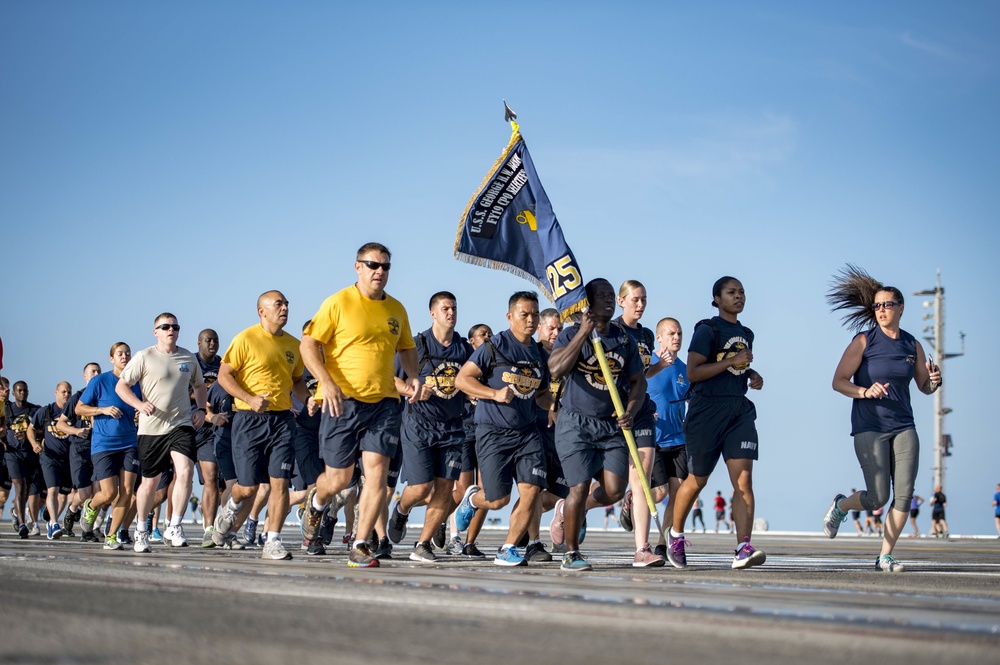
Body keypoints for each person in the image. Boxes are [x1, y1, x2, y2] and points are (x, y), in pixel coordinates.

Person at [299, 242, 421, 568]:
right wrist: (325, 381)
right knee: (339, 479)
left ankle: (361, 543)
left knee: (376, 476)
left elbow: (407, 347)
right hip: (343, 402)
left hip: (384, 403)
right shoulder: (338, 303)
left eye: (385, 267)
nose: (379, 271)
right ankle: (318, 501)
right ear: (358, 267)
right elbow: (309, 344)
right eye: (372, 265)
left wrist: (413, 376)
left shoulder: (396, 309)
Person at [822, 266, 941, 573]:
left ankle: (884, 556)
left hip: (904, 426)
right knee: (878, 496)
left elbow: (924, 387)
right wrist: (864, 391)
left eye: (887, 304)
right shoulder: (864, 341)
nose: (881, 310)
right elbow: (838, 380)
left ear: (901, 308)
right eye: (877, 305)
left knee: (904, 494)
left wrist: (934, 381)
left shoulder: (912, 344)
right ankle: (841, 506)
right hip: (869, 426)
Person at [664, 276, 766, 571]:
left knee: (744, 480)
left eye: (742, 292)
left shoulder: (746, 332)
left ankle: (743, 548)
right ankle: (676, 536)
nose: (739, 296)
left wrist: (750, 374)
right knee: (697, 480)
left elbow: (734, 367)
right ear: (717, 299)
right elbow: (695, 373)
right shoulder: (706, 330)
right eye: (731, 292)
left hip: (738, 411)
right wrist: (732, 360)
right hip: (705, 411)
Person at [547, 278, 645, 572]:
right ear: (587, 302)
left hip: (611, 425)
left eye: (611, 295)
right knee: (579, 486)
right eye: (600, 295)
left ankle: (567, 510)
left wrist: (630, 409)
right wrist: (583, 334)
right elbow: (555, 369)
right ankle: (571, 553)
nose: (608, 300)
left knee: (615, 490)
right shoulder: (569, 335)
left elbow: (638, 382)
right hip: (575, 423)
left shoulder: (624, 339)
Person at [454, 290, 553, 567]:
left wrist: (555, 407)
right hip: (493, 431)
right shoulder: (493, 347)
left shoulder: (538, 352)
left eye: (535, 314)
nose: (531, 320)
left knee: (532, 490)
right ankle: (474, 500)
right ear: (510, 317)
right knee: (497, 500)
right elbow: (462, 380)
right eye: (525, 315)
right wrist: (494, 393)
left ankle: (508, 547)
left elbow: (542, 393)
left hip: (527, 432)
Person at [213, 291, 310, 560]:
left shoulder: (294, 345)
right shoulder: (245, 338)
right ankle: (231, 507)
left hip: (282, 421)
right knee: (248, 488)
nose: (285, 308)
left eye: (287, 303)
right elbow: (224, 376)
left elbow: (298, 381)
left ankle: (273, 541)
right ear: (261, 311)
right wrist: (248, 398)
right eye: (278, 304)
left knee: (279, 484)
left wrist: (309, 400)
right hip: (249, 420)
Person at [388, 291, 473, 563]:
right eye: (445, 308)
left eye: (454, 308)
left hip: (452, 426)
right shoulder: (417, 345)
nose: (451, 313)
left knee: (446, 488)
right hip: (419, 424)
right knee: (421, 487)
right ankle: (401, 509)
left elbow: (473, 378)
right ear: (433, 313)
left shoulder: (464, 348)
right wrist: (411, 389)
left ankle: (422, 544)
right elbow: (392, 379)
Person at [116, 313, 207, 553]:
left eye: (175, 326)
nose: (171, 330)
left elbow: (199, 385)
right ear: (155, 331)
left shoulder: (188, 357)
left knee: (185, 471)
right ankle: (142, 529)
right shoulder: (144, 356)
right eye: (165, 327)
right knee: (150, 483)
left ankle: (174, 525)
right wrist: (138, 405)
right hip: (152, 428)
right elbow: (121, 386)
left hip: (182, 424)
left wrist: (201, 409)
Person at [609, 281, 664, 568]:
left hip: (641, 412)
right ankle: (565, 511)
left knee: (642, 480)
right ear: (621, 301)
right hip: (615, 413)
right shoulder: (612, 331)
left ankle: (642, 548)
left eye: (644, 299)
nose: (640, 305)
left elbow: (641, 374)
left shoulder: (644, 334)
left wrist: (661, 367)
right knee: (612, 488)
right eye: (635, 300)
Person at [76, 343, 142, 548]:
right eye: (120, 354)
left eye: (128, 354)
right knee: (109, 493)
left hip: (129, 442)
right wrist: (102, 410)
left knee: (127, 492)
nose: (124, 357)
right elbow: (80, 408)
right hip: (103, 444)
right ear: (112, 359)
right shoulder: (99, 381)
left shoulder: (137, 383)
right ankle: (91, 504)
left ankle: (111, 535)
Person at [643, 316, 689, 558]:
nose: (677, 337)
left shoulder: (685, 370)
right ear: (658, 337)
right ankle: (633, 499)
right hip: (653, 438)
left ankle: (663, 542)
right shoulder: (647, 363)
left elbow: (692, 400)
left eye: (679, 333)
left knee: (678, 492)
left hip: (678, 440)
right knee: (659, 492)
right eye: (671, 333)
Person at [448, 323, 493, 558]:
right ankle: (451, 534)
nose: (487, 337)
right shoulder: (465, 366)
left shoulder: (495, 364)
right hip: (465, 432)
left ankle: (470, 542)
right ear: (472, 341)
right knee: (463, 488)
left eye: (489, 334)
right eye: (482, 334)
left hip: (487, 433)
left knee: (486, 490)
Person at [56, 363, 102, 536]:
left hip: (99, 448)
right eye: (93, 371)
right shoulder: (78, 397)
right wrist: (77, 431)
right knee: (84, 493)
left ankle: (87, 529)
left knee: (98, 492)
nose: (96, 374)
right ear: (85, 376)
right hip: (80, 449)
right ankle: (72, 508)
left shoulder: (104, 395)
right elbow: (60, 423)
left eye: (98, 371)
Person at [27, 382, 74, 539]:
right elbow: (30, 428)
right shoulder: (46, 411)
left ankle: (51, 520)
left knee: (63, 496)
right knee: (52, 490)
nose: (66, 394)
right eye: (63, 391)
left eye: (68, 391)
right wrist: (34, 444)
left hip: (68, 459)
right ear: (56, 393)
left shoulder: (75, 412)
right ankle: (54, 523)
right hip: (49, 457)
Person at [193, 329, 223, 547]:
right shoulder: (190, 363)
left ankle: (214, 527)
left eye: (215, 340)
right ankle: (206, 528)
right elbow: (180, 390)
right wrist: (203, 398)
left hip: (217, 429)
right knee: (205, 478)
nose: (212, 344)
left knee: (218, 481)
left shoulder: (223, 366)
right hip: (192, 428)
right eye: (208, 340)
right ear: (199, 343)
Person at [4, 381, 40, 538]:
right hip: (13, 454)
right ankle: (22, 524)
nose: (22, 393)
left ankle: (16, 512)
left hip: (30, 454)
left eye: (25, 390)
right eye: (19, 390)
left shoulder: (35, 410)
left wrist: (29, 435)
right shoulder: (7, 409)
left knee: (27, 490)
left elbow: (41, 432)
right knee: (19, 486)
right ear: (13, 393)